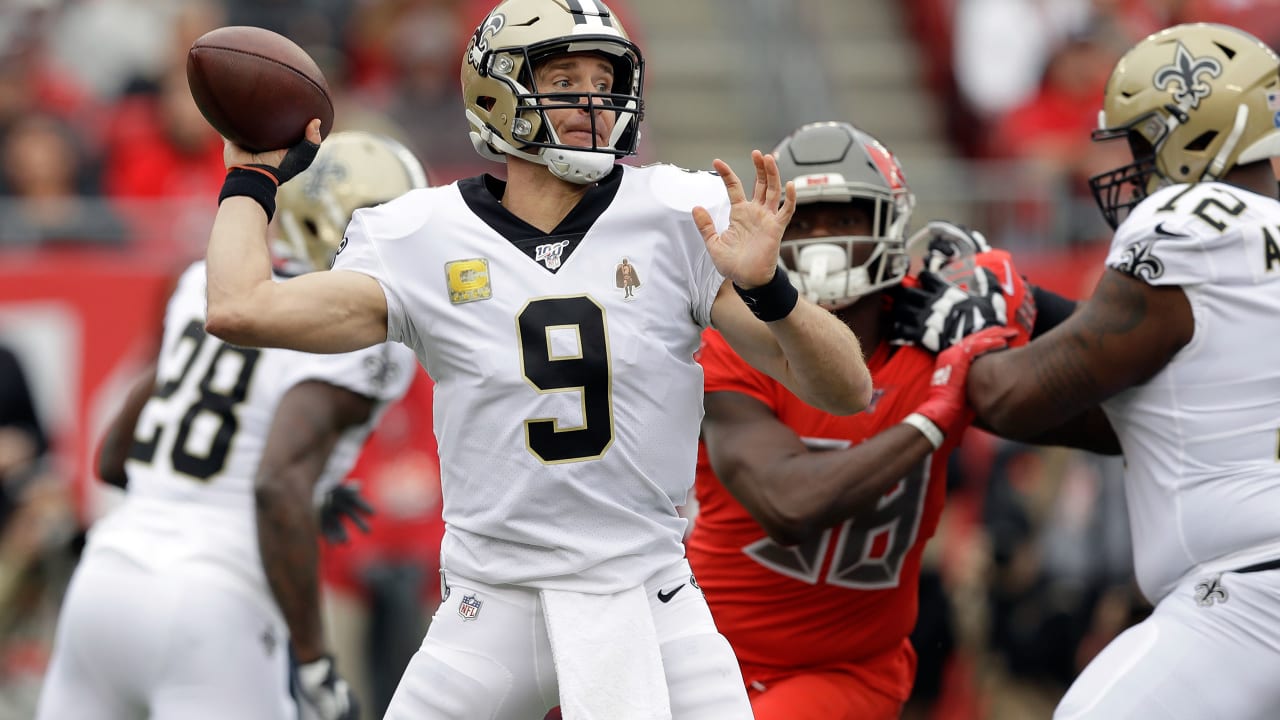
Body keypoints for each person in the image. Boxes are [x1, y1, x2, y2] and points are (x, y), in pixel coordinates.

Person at [201, 0, 875, 716]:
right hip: (492, 603)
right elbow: (239, 308)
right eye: (563, 78)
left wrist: (772, 290)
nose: (593, 99)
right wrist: (251, 177)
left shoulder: (684, 213)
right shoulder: (422, 233)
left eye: (605, 76)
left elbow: (845, 388)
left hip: (650, 593)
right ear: (495, 92)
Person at [686, 120, 1116, 719]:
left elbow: (1117, 423)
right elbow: (787, 505)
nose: (823, 240)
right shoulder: (738, 340)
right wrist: (930, 422)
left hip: (847, 670)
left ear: (890, 223)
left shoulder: (938, 333)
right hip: (702, 649)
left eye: (845, 218)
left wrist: (1031, 305)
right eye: (802, 220)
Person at [34, 131, 427, 720]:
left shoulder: (204, 284)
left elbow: (115, 458)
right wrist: (315, 657)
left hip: (106, 576)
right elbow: (276, 485)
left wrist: (280, 489)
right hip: (215, 601)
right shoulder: (365, 337)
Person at [947, 22, 1280, 719]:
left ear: (1192, 133)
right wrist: (1030, 305)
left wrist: (953, 335)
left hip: (1248, 596)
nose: (1129, 165)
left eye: (1140, 141)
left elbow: (1019, 399)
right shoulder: (1254, 244)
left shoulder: (1190, 224)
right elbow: (1153, 403)